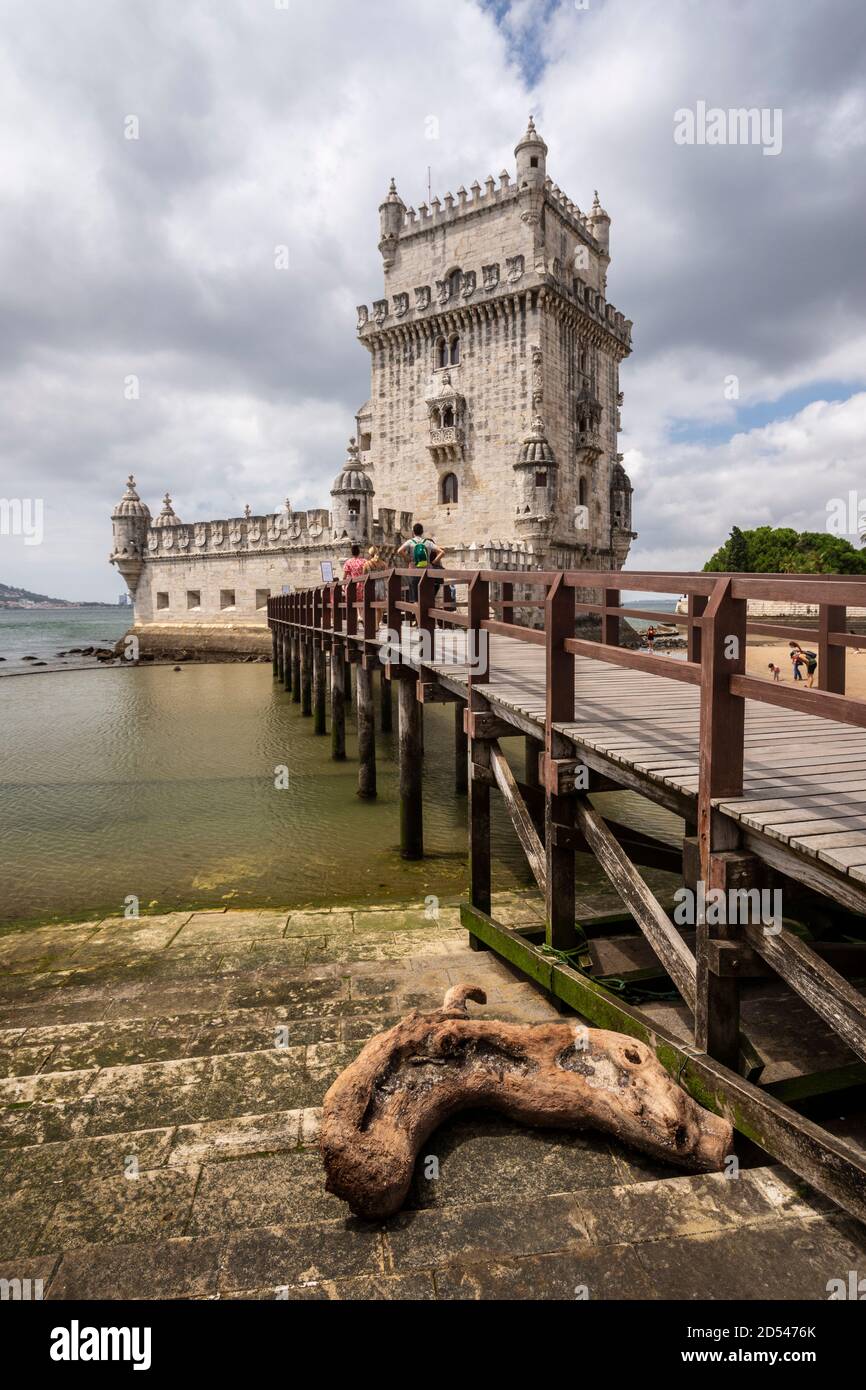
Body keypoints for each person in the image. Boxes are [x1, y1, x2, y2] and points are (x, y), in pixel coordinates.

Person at [397, 523, 444, 604]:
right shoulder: (427, 542)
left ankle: (418, 616)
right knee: (428, 598)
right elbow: (442, 552)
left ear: (413, 532)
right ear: (422, 532)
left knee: (416, 599)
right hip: (427, 573)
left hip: (414, 572)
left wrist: (408, 559)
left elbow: (399, 551)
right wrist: (433, 562)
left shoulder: (410, 542)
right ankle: (426, 616)